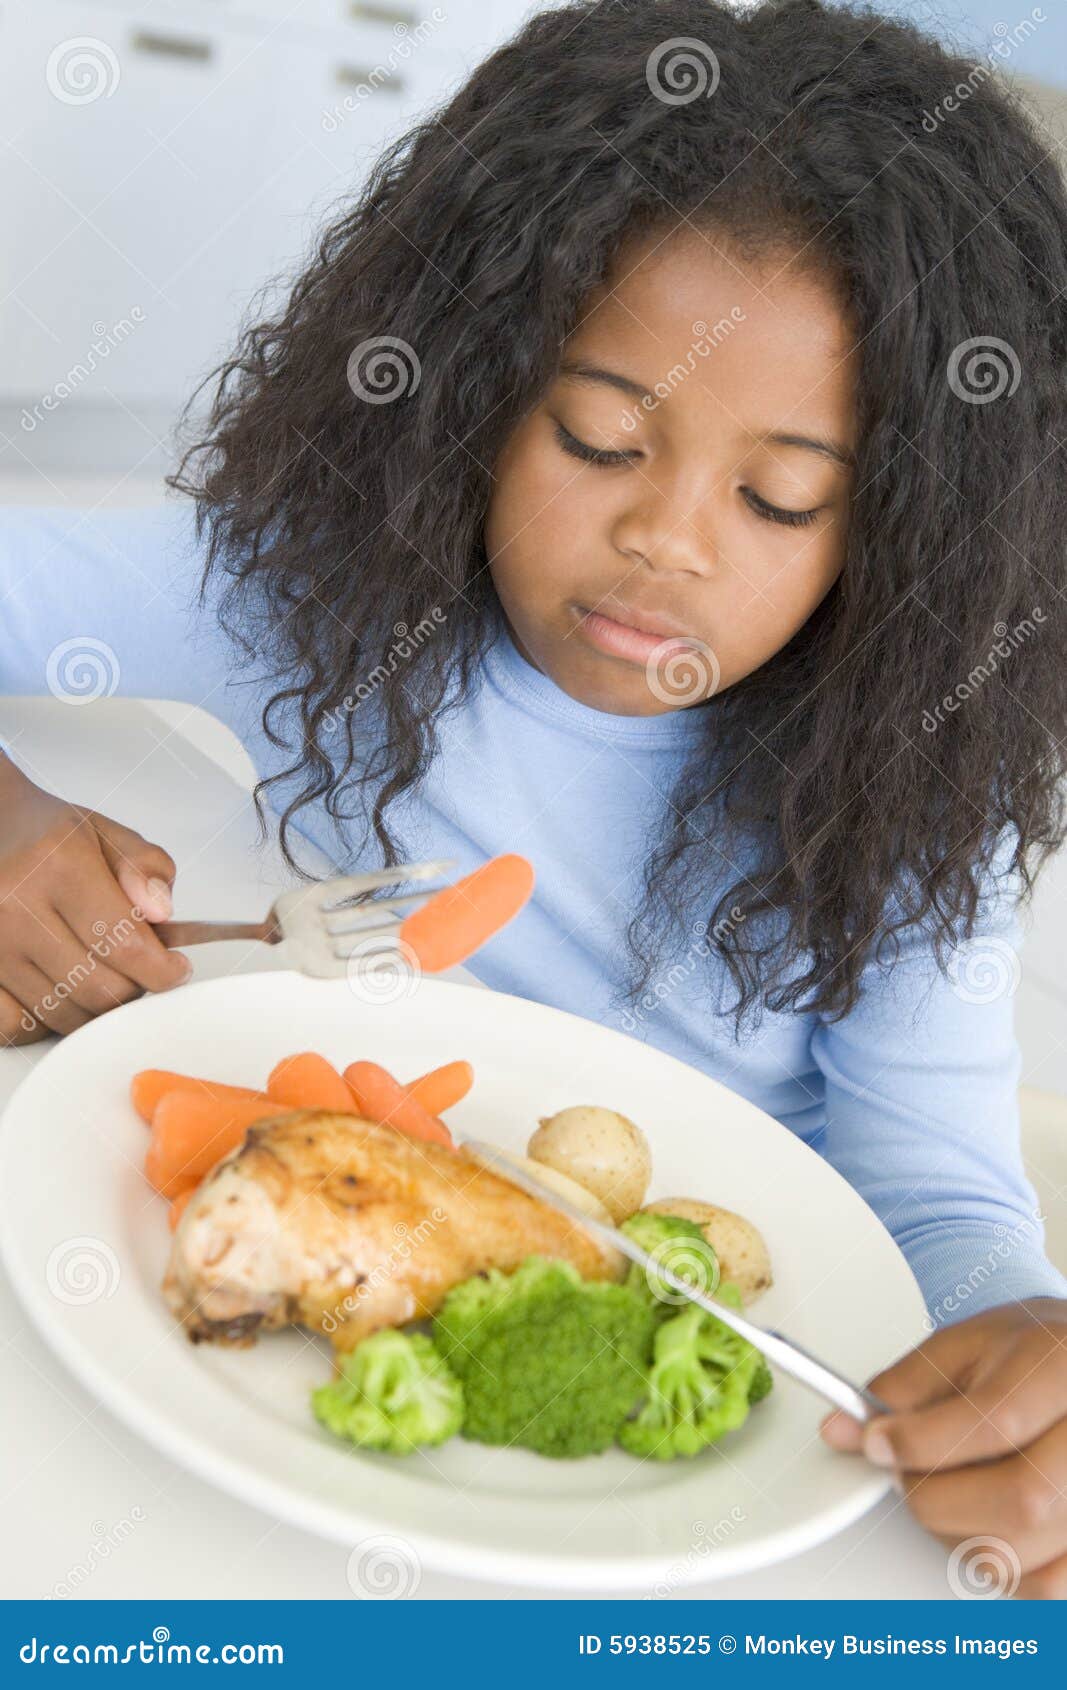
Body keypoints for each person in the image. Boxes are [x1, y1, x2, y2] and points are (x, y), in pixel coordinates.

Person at [3, 0, 1067, 1593]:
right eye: (597, 434)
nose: (670, 540)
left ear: (901, 538)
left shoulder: (915, 780)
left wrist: (1025, 1349)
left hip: (717, 1457)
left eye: (782, 498)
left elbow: (933, 1180)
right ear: (466, 394)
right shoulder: (312, 599)